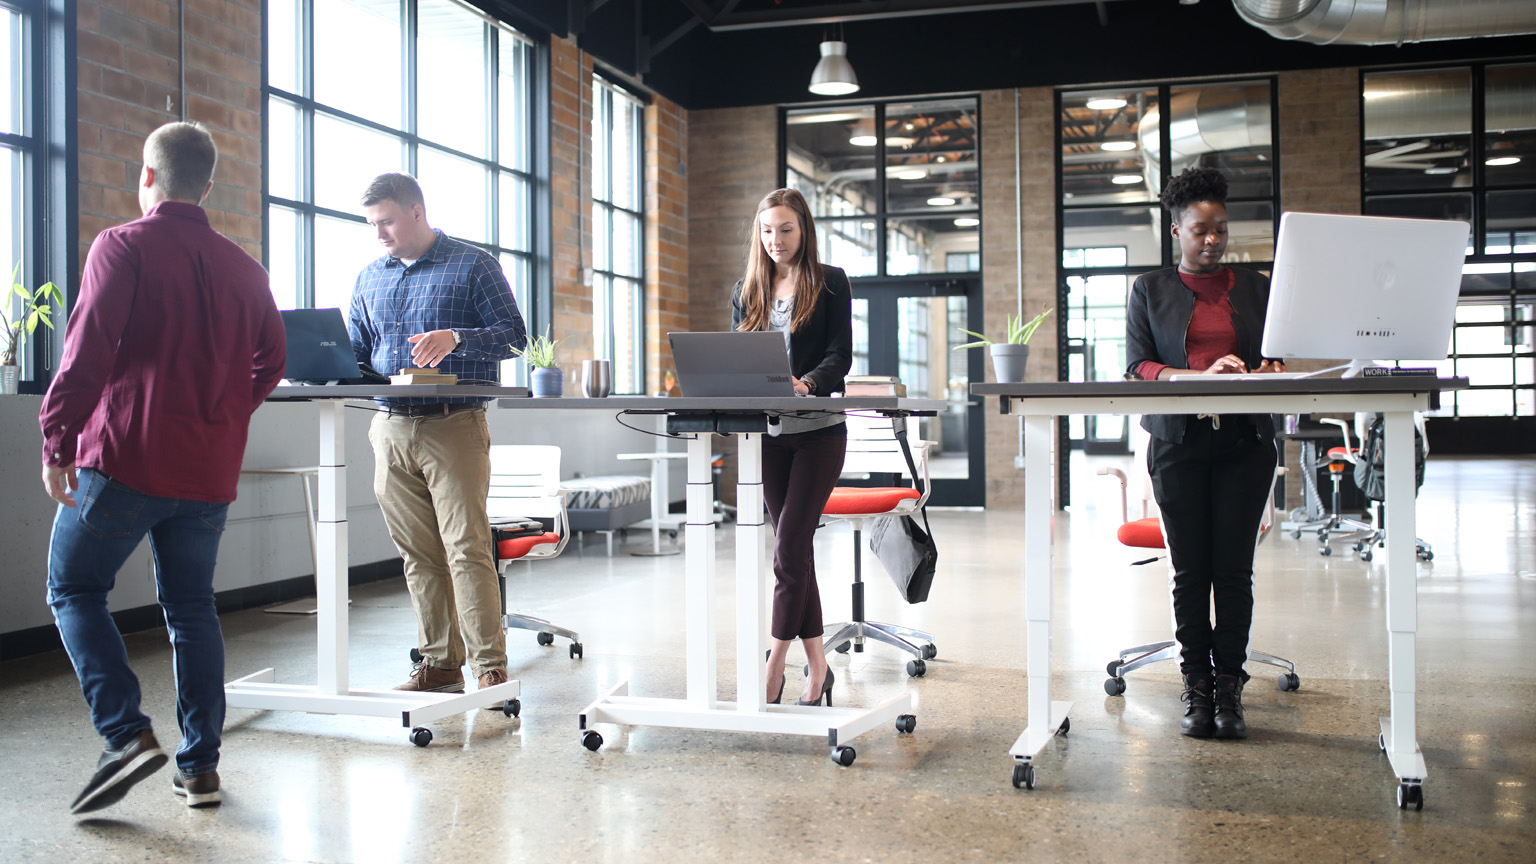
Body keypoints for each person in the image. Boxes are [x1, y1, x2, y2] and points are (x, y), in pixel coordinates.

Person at [40, 121, 287, 813]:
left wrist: (57, 438)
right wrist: (227, 411)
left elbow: (87, 351)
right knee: (191, 608)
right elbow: (274, 358)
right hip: (207, 473)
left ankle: (125, 734)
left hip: (126, 459)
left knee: (73, 588)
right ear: (208, 186)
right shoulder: (246, 267)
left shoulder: (123, 244)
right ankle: (200, 769)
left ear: (146, 175)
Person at [347, 173, 526, 702]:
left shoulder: (473, 265)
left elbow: (514, 337)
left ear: (417, 211)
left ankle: (490, 668)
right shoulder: (368, 278)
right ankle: (440, 664)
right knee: (418, 555)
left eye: (386, 221)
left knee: (466, 548)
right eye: (371, 224)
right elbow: (359, 351)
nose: (378, 233)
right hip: (390, 428)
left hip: (454, 424)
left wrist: (457, 338)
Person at [1124, 165, 1286, 740]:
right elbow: (1138, 365)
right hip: (1178, 441)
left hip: (1245, 442)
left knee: (1234, 571)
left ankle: (1229, 689)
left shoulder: (1260, 285)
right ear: (1176, 232)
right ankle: (1195, 683)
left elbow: (1278, 353)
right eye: (1200, 230)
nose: (1213, 240)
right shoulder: (1150, 289)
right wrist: (1195, 373)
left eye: (1220, 229)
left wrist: (1268, 367)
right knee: (1191, 572)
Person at [731, 188, 853, 707]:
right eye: (767, 230)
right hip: (769, 435)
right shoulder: (747, 289)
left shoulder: (830, 283)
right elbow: (736, 354)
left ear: (803, 229)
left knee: (787, 549)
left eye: (785, 229)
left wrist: (805, 382)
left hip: (819, 431)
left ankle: (775, 662)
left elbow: (839, 356)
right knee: (794, 550)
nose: (775, 240)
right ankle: (820, 665)